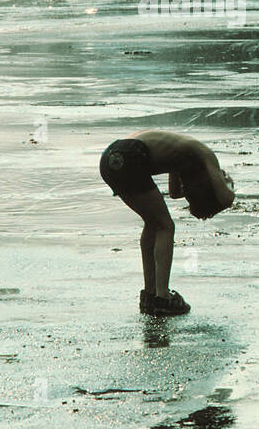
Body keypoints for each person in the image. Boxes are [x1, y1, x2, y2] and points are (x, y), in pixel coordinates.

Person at [99, 129, 235, 316]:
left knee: (153, 222)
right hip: (132, 154)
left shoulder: (179, 152)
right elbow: (226, 198)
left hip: (110, 158)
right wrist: (228, 182)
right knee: (166, 226)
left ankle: (150, 293)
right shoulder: (205, 153)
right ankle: (163, 297)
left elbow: (174, 193)